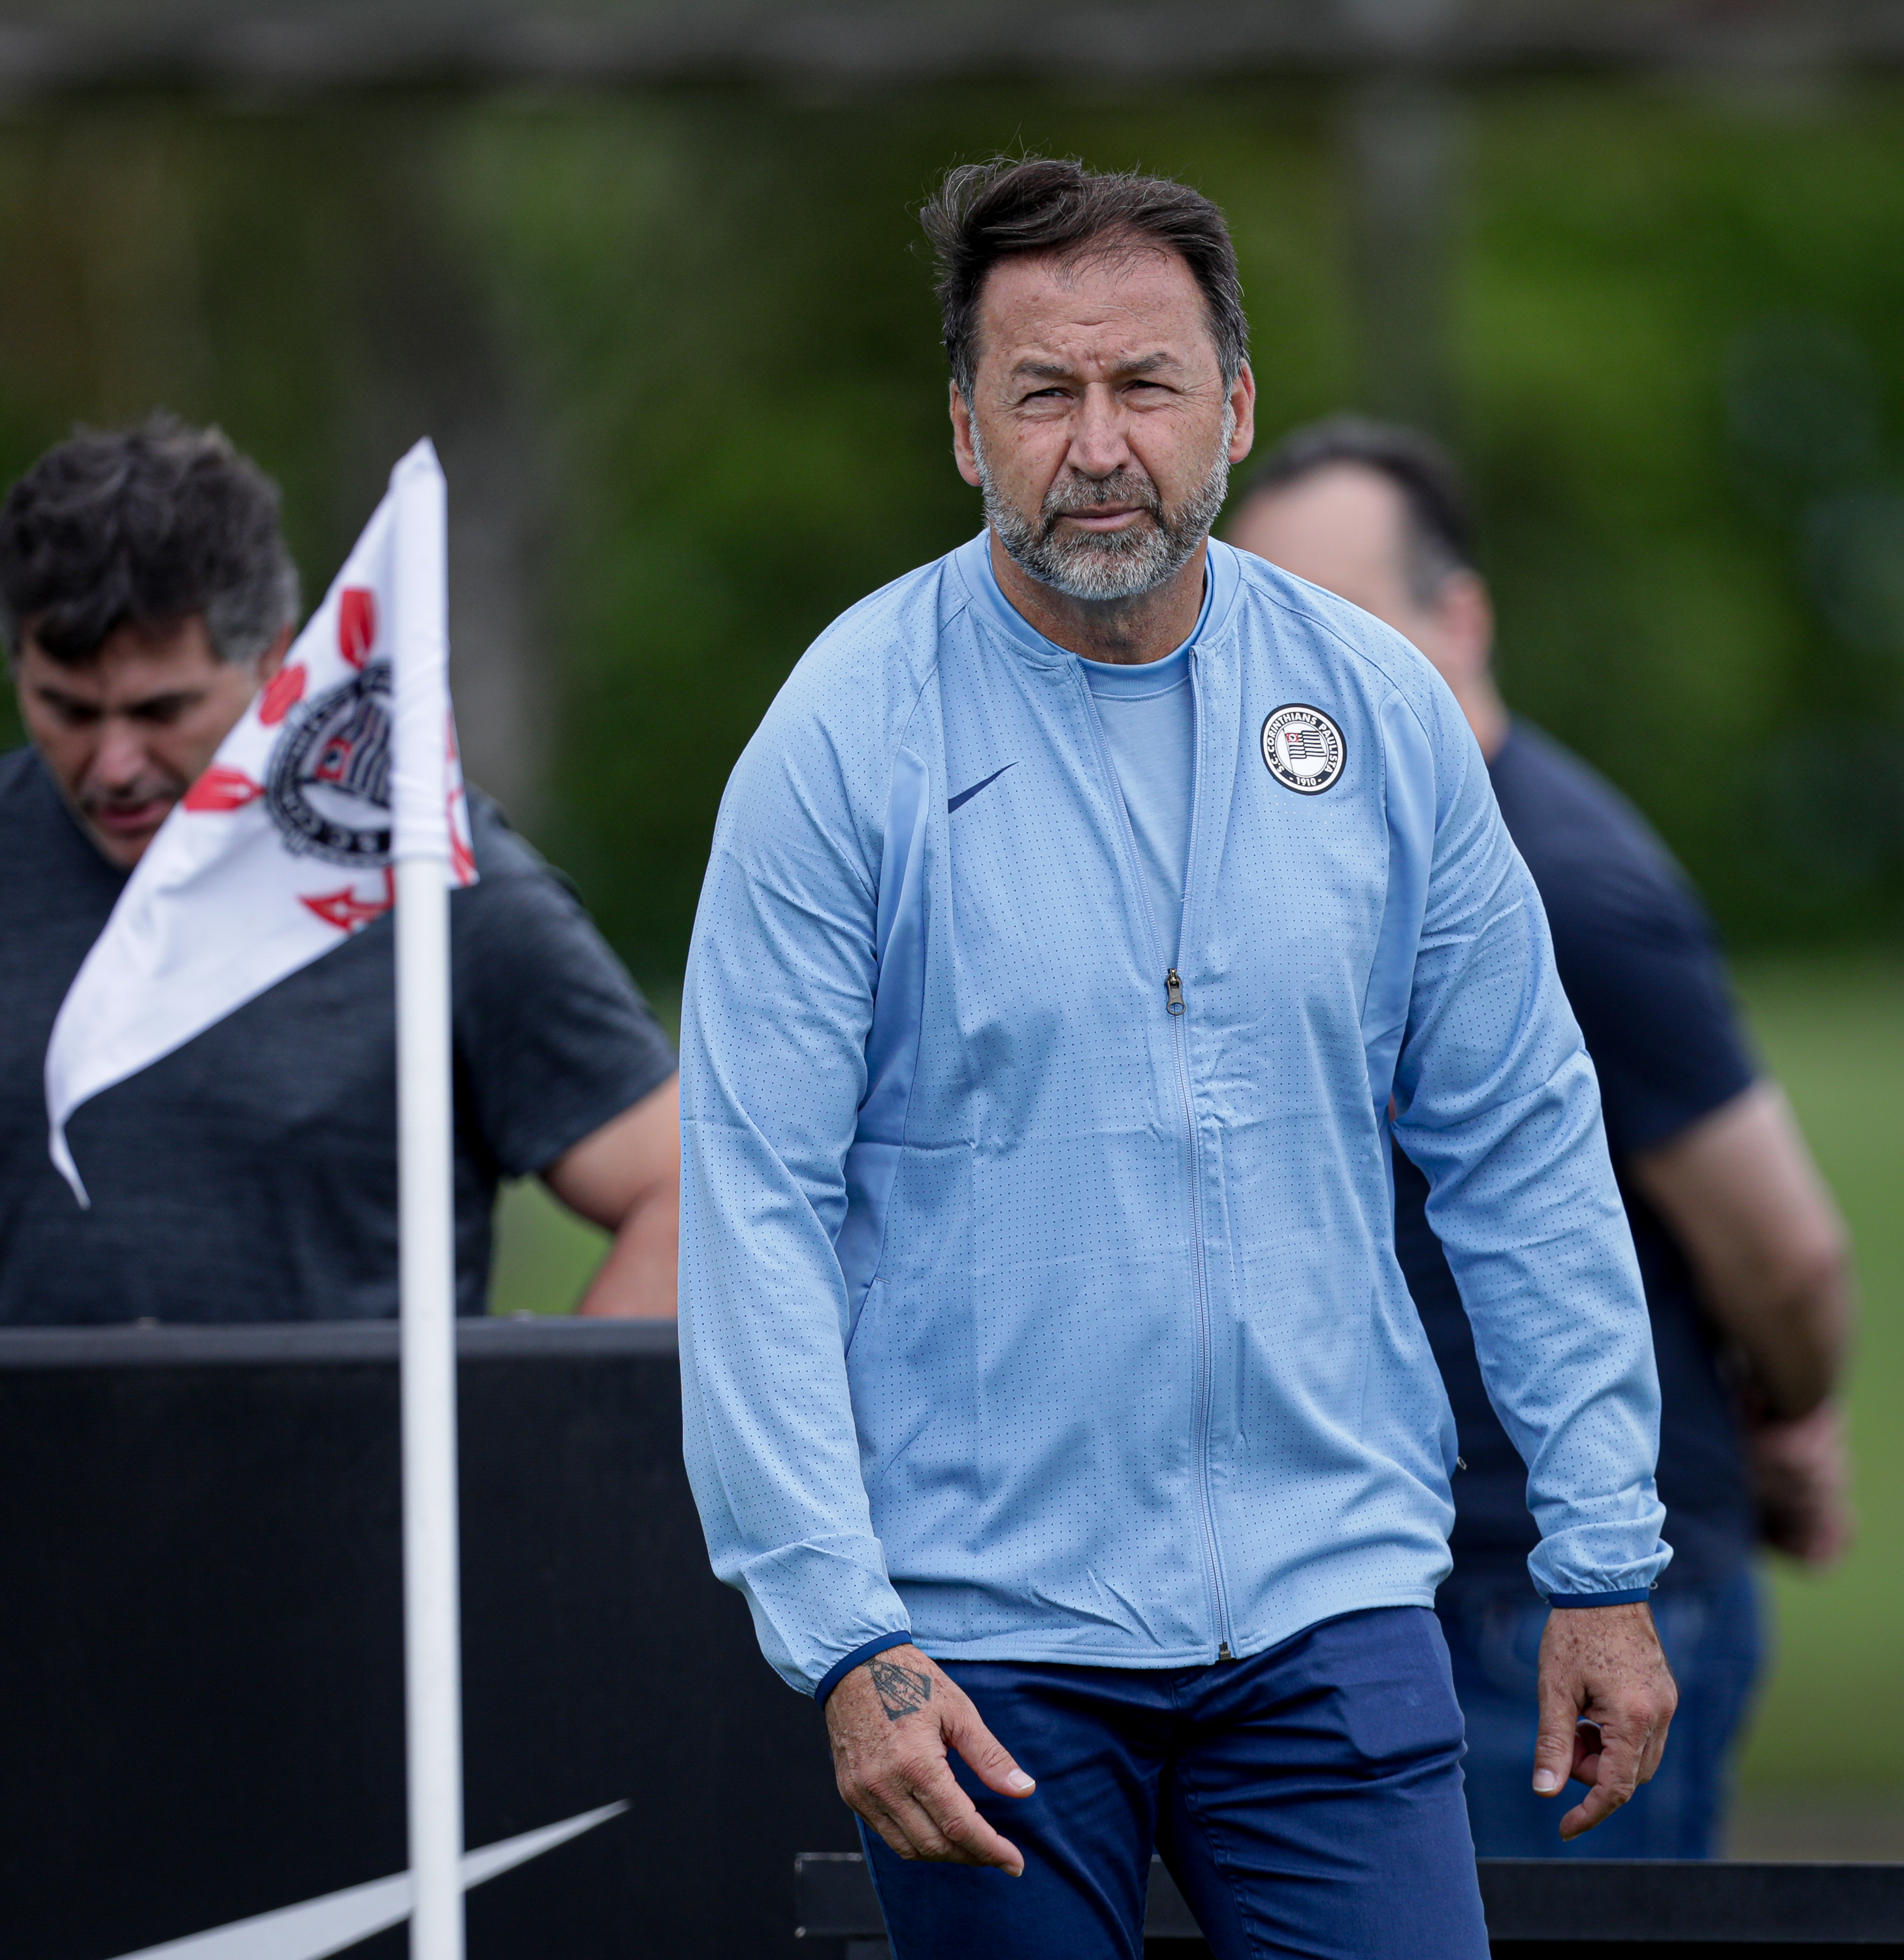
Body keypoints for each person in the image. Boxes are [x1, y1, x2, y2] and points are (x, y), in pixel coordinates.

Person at [678, 156, 1677, 1960]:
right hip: (977, 1645)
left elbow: (1521, 1142)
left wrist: (1598, 1558)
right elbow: (751, 1201)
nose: (1097, 444)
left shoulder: (1377, 712)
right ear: (967, 431)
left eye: (1142, 387)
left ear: (1228, 407)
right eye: (1040, 394)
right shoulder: (841, 733)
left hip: (1331, 1607)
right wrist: (841, 1632)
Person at [1227, 416, 1852, 1859]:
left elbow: (1788, 1256)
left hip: (1542, 1609)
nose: (1308, 668)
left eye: (1352, 618)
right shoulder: (1324, 844)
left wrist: (1788, 1417)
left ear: (1462, 615)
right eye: (1280, 620)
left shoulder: (1564, 884)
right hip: (1387, 1584)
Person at [0, 416, 679, 1323]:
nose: (114, 763)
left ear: (277, 658)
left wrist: (536, 1451)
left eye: (162, 710)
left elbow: (684, 1198)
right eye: (68, 711)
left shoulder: (437, 883)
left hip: (347, 1469)